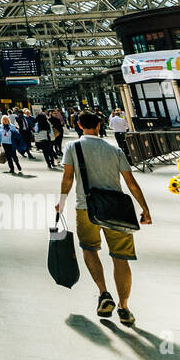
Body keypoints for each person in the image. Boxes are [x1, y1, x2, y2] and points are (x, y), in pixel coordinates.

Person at [56, 112, 152, 326]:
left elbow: (68, 178)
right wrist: (144, 208)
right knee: (121, 258)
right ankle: (124, 307)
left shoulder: (73, 147)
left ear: (78, 125)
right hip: (117, 209)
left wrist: (62, 202)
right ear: (100, 125)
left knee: (89, 250)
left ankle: (103, 293)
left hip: (86, 208)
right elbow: (131, 182)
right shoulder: (114, 150)